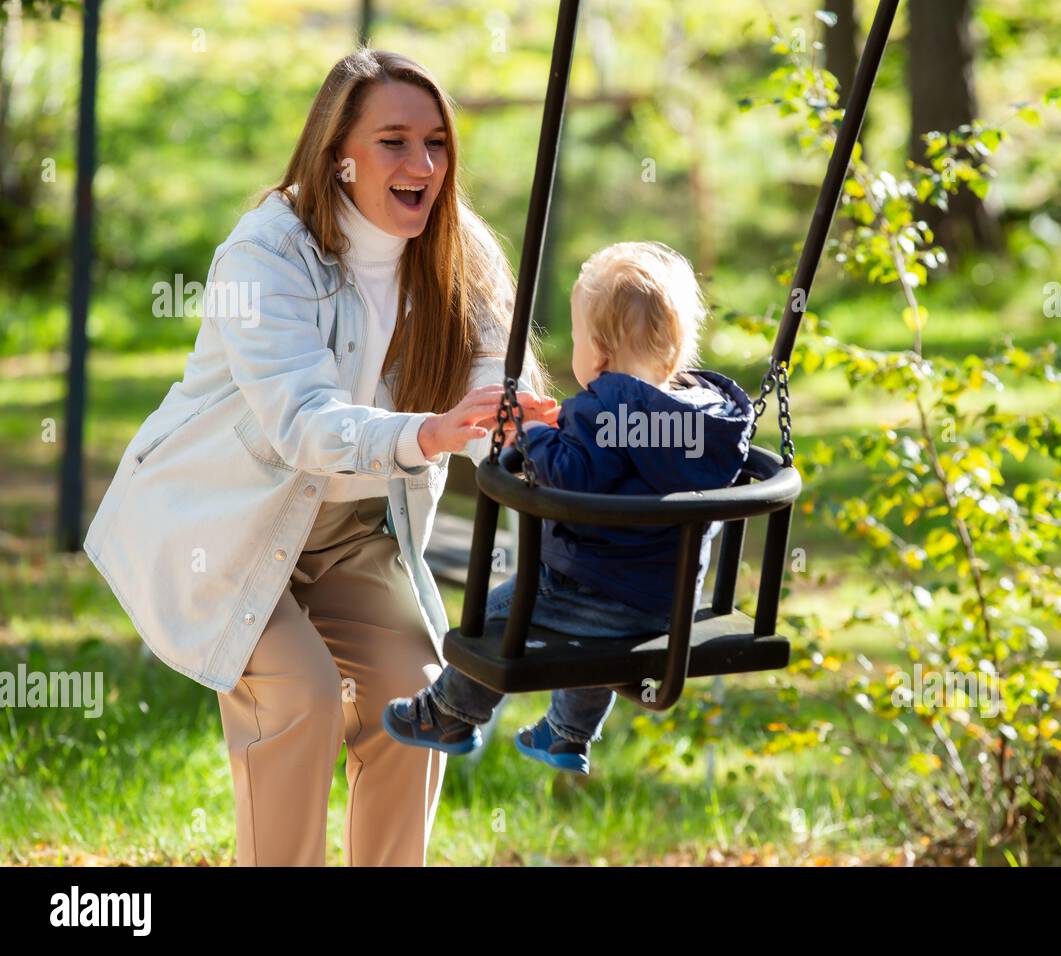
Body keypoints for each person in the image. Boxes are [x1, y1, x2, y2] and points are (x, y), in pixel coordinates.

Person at [82, 48, 556, 865]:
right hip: (225, 525)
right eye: (395, 142)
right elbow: (302, 421)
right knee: (297, 697)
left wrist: (506, 414)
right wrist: (428, 432)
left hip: (352, 529)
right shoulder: (267, 253)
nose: (423, 165)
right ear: (339, 156)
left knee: (416, 699)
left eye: (437, 143)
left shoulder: (458, 250)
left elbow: (493, 368)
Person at [383, 241, 754, 775]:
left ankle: (449, 712)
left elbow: (570, 476)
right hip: (665, 605)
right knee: (597, 646)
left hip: (588, 586)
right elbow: (628, 465)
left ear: (598, 355)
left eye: (578, 340)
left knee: (494, 617)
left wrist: (530, 432)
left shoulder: (602, 408)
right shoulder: (707, 418)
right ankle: (567, 733)